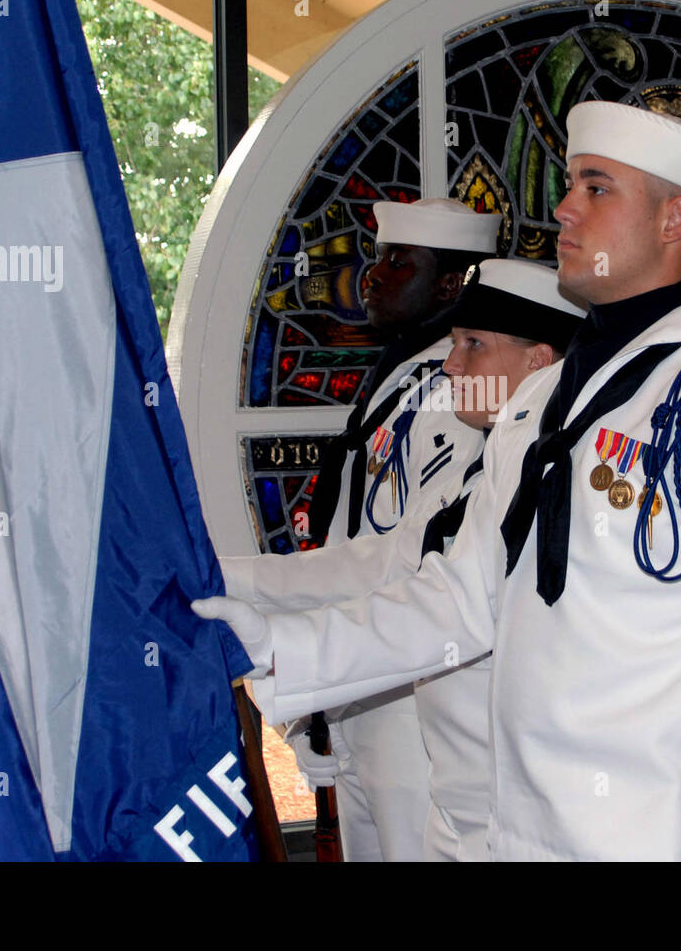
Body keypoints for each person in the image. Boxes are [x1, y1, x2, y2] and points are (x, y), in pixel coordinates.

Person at [199, 100, 681, 860]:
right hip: (515, 831)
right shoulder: (542, 398)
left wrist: (644, 736)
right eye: (569, 184)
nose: (563, 208)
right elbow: (461, 597)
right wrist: (279, 646)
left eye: (597, 188)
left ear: (673, 220)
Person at [216, 259, 584, 860]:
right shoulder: (495, 461)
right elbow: (385, 556)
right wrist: (238, 582)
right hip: (453, 783)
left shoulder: (546, 472)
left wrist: (275, 644)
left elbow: (426, 592)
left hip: (495, 795)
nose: (451, 364)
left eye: (473, 344)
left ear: (538, 361)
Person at [274, 196, 499, 862]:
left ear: (451, 286)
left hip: (412, 692)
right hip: (360, 678)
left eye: (401, 262)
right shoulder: (402, 375)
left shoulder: (458, 391)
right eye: (378, 258)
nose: (374, 275)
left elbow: (408, 559)